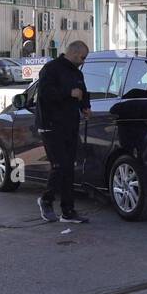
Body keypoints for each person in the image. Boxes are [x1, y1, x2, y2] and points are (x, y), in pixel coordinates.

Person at [35, 40, 91, 224]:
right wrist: (69, 93)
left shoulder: (76, 72)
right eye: (82, 57)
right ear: (74, 53)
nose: (83, 61)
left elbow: (82, 91)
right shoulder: (51, 69)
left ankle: (68, 211)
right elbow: (45, 93)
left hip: (70, 124)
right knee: (59, 165)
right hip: (51, 124)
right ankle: (46, 200)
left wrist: (85, 107)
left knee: (69, 168)